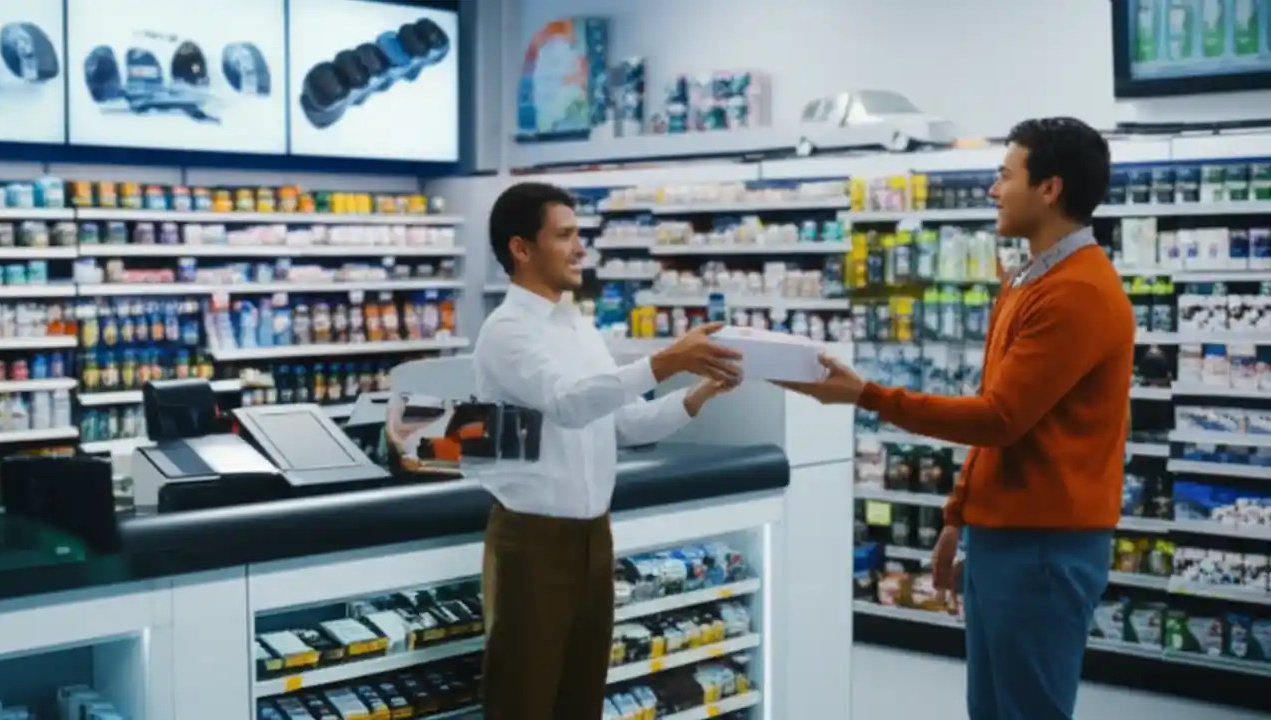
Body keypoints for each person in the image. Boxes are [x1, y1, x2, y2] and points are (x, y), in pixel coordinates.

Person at [780, 117, 1132, 720]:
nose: (993, 190)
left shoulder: (1078, 293)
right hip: (1008, 539)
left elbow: (998, 418)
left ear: (1049, 189)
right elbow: (998, 412)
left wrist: (868, 395)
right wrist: (958, 514)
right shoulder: (1026, 280)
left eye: (1004, 175)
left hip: (1044, 548)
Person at [472, 181, 743, 720]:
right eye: (565, 235)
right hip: (532, 541)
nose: (580, 248)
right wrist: (665, 361)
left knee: (581, 700)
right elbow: (569, 403)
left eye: (580, 234)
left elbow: (624, 422)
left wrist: (700, 392)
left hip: (593, 537)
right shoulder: (506, 332)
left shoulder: (578, 328)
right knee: (523, 701)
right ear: (521, 249)